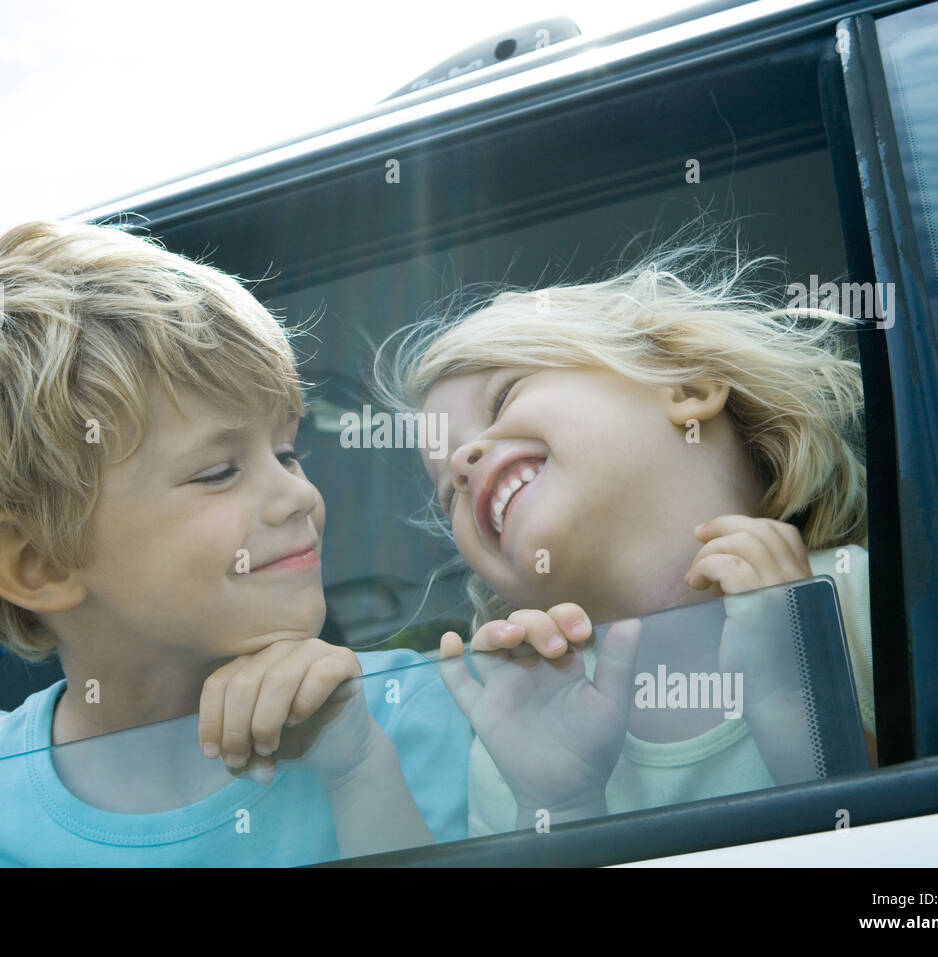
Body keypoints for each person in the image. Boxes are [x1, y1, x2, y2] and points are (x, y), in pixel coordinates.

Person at [0, 220, 470, 865]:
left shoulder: (410, 709)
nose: (300, 495)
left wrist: (359, 773)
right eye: (218, 473)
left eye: (288, 451)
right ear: (37, 562)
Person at [372, 235, 875, 835]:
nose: (462, 463)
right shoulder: (515, 733)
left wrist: (802, 708)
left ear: (684, 386)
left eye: (504, 397)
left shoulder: (860, 600)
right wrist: (563, 807)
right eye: (448, 492)